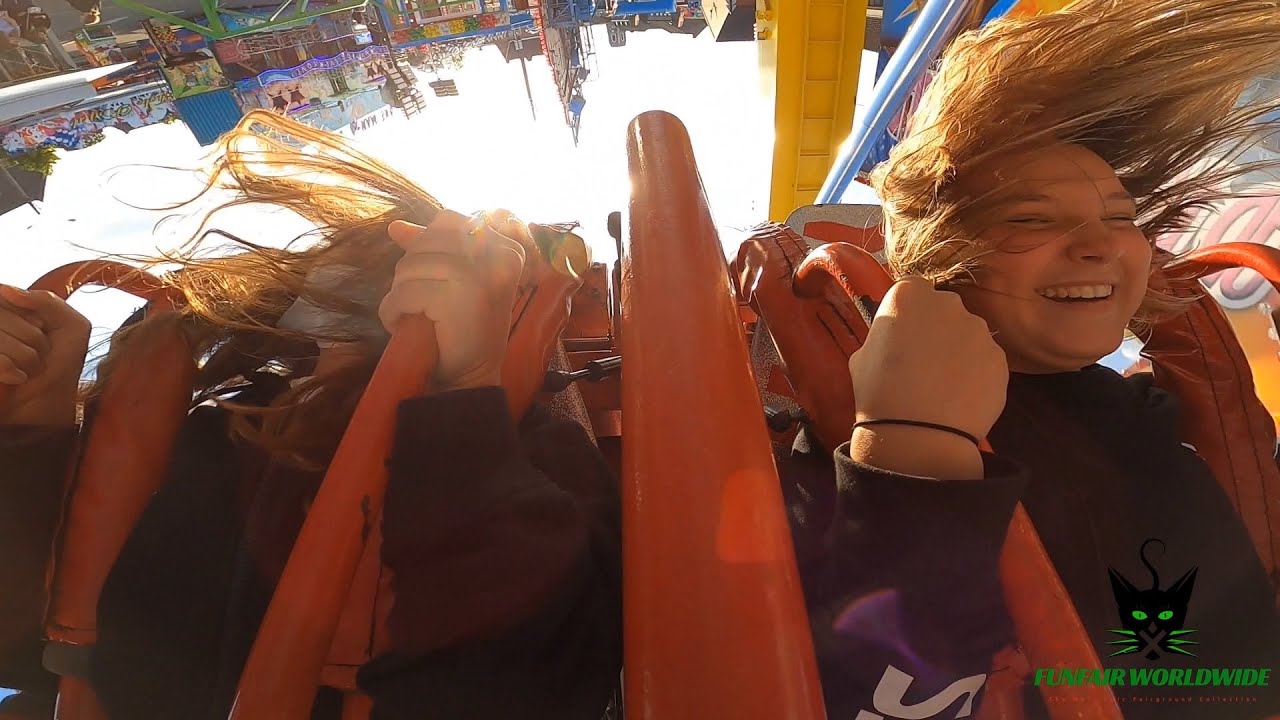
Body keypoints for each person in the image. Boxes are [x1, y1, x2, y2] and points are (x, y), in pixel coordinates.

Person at [0, 110, 621, 720]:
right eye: (390, 254)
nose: (406, 279)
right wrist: (35, 427)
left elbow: (533, 680)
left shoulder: (535, 452)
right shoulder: (226, 422)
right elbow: (23, 649)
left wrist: (462, 395)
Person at [776, 1, 1280, 718]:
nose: (1101, 245)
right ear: (939, 258)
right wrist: (915, 456)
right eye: (1033, 219)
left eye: (1120, 217)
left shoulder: (1138, 406)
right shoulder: (842, 448)